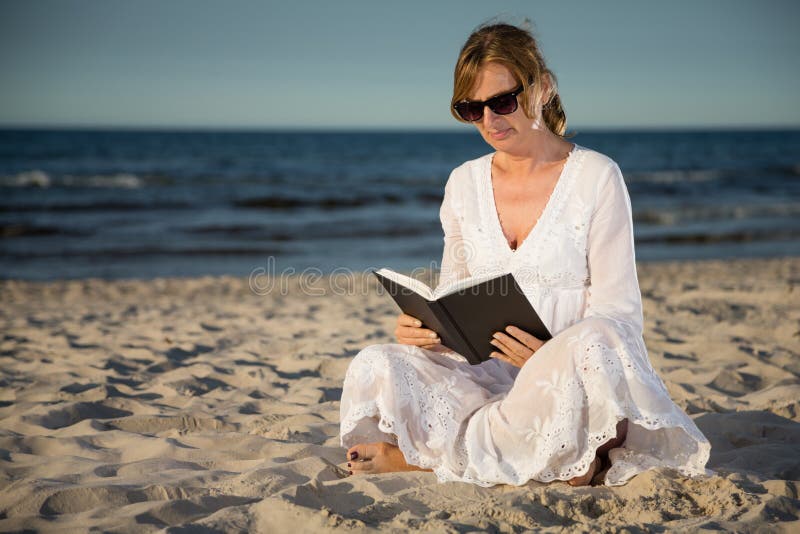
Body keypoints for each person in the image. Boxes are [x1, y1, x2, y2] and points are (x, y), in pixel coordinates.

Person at [339, 22, 711, 487]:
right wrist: (427, 330)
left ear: (544, 88)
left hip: (567, 376)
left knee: (595, 340)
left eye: (503, 102)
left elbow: (619, 314)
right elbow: (457, 292)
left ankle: (425, 460)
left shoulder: (597, 176)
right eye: (472, 109)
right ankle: (541, 458)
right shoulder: (463, 184)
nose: (490, 121)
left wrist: (551, 355)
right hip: (484, 374)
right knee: (380, 360)